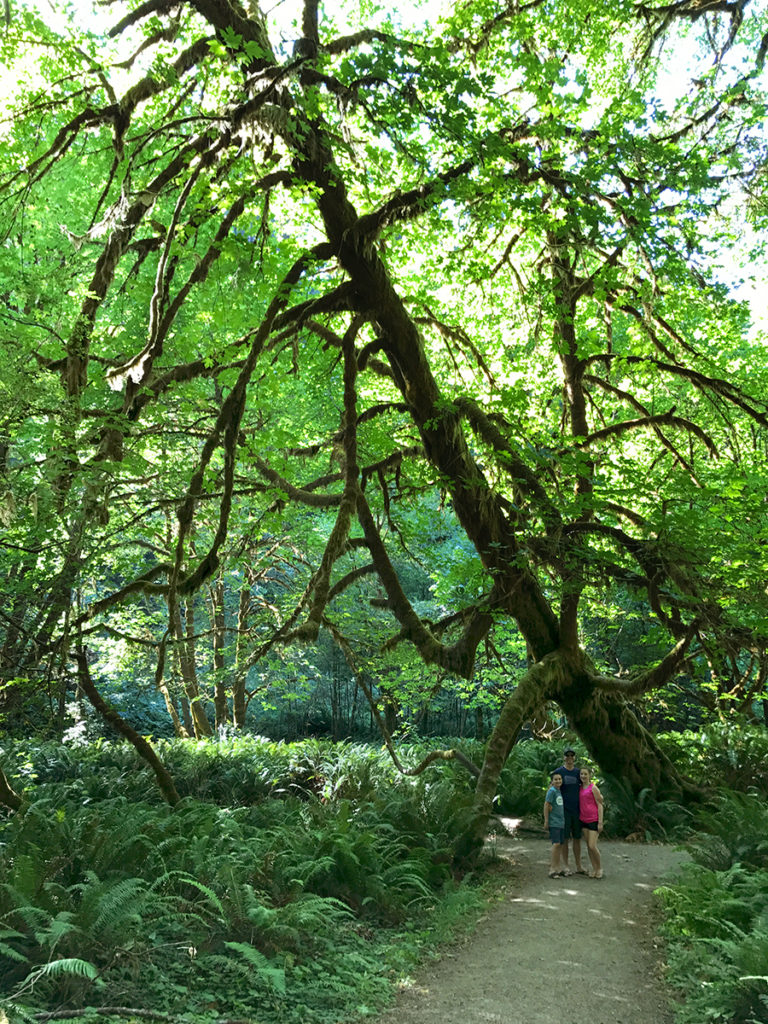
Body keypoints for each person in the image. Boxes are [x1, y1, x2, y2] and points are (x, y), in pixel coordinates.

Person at [555, 748, 586, 874]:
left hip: (577, 810)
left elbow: (585, 786)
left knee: (577, 838)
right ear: (564, 758)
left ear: (574, 758)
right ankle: (566, 865)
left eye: (571, 756)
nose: (569, 758)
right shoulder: (559, 772)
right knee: (565, 838)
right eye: (567, 756)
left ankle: (579, 865)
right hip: (564, 811)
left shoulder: (578, 773)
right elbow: (554, 789)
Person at [579, 766, 605, 879]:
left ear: (590, 775)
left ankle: (599, 868)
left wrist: (600, 822)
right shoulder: (579, 788)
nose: (583, 776)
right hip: (583, 820)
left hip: (594, 820)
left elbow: (600, 804)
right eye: (581, 774)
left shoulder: (593, 788)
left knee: (592, 845)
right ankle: (594, 868)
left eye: (585, 774)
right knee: (588, 847)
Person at [543, 772, 565, 878]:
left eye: (560, 779)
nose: (558, 781)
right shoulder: (551, 791)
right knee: (556, 844)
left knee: (560, 845)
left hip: (561, 822)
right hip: (554, 822)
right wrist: (546, 820)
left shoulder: (559, 791)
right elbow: (546, 805)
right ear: (552, 781)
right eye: (556, 779)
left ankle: (558, 867)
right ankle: (552, 869)